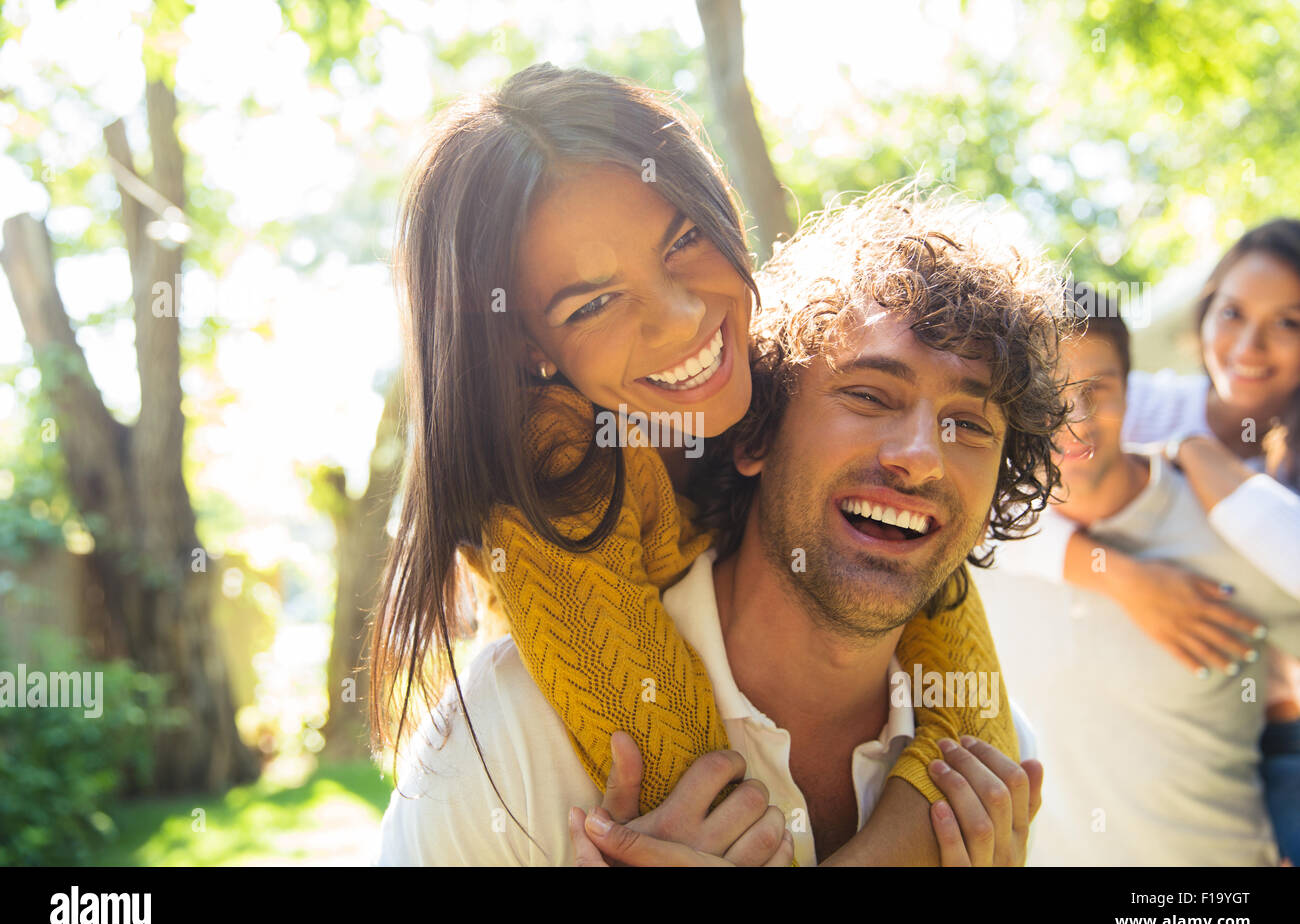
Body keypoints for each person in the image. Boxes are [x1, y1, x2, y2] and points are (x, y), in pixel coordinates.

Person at [368, 63, 1025, 862]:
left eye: (684, 240)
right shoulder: (552, 503)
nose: (683, 320)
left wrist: (932, 802)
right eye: (593, 303)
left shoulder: (793, 372)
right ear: (527, 348)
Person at [993, 225, 1300, 863]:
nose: (1249, 346)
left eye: (1289, 323)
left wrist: (1219, 477)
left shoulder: (1243, 521)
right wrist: (1118, 574)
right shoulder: (1160, 401)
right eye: (1233, 313)